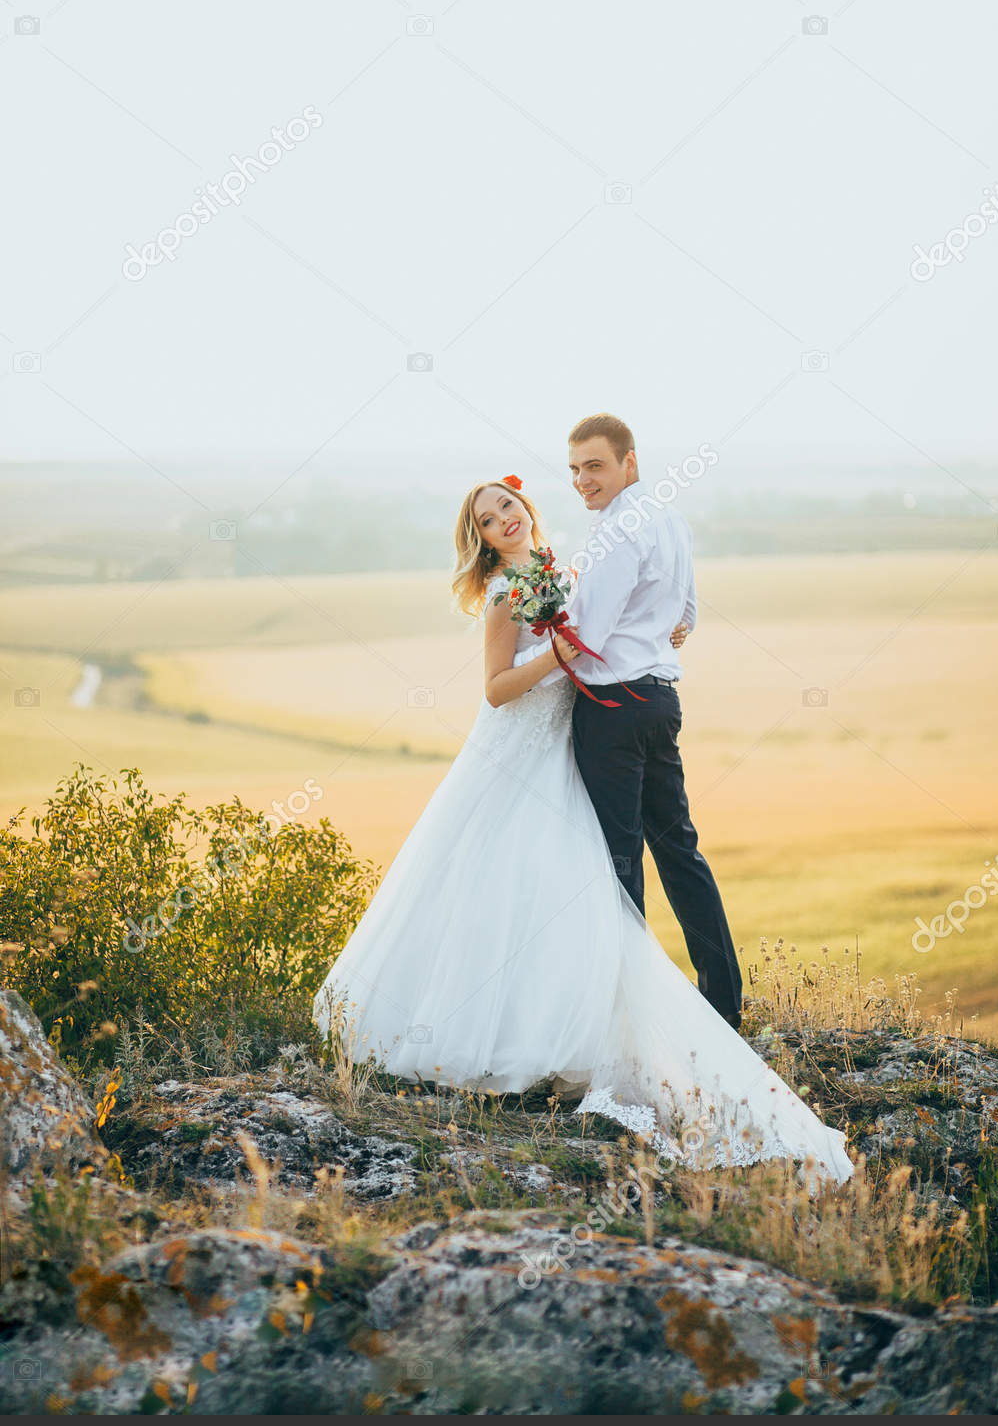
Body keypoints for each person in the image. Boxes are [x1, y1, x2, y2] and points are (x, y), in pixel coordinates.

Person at [312, 472, 852, 1183]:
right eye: (487, 519)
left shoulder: (562, 574)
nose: (502, 519)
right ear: (480, 539)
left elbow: (614, 621)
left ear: (526, 509)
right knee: (500, 882)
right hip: (515, 754)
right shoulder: (506, 594)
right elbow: (495, 690)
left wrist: (668, 628)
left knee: (562, 888)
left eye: (507, 505)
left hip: (565, 753)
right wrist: (556, 657)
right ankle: (478, 1037)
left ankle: (570, 1036)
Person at [563, 413, 743, 1027]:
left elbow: (586, 638)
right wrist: (651, 634)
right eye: (575, 470)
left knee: (618, 861)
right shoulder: (670, 518)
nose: (583, 480)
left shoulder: (614, 532)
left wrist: (539, 638)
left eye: (595, 466)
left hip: (612, 709)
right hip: (660, 700)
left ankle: (629, 1018)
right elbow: (686, 616)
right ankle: (723, 1004)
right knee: (680, 852)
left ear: (629, 462)